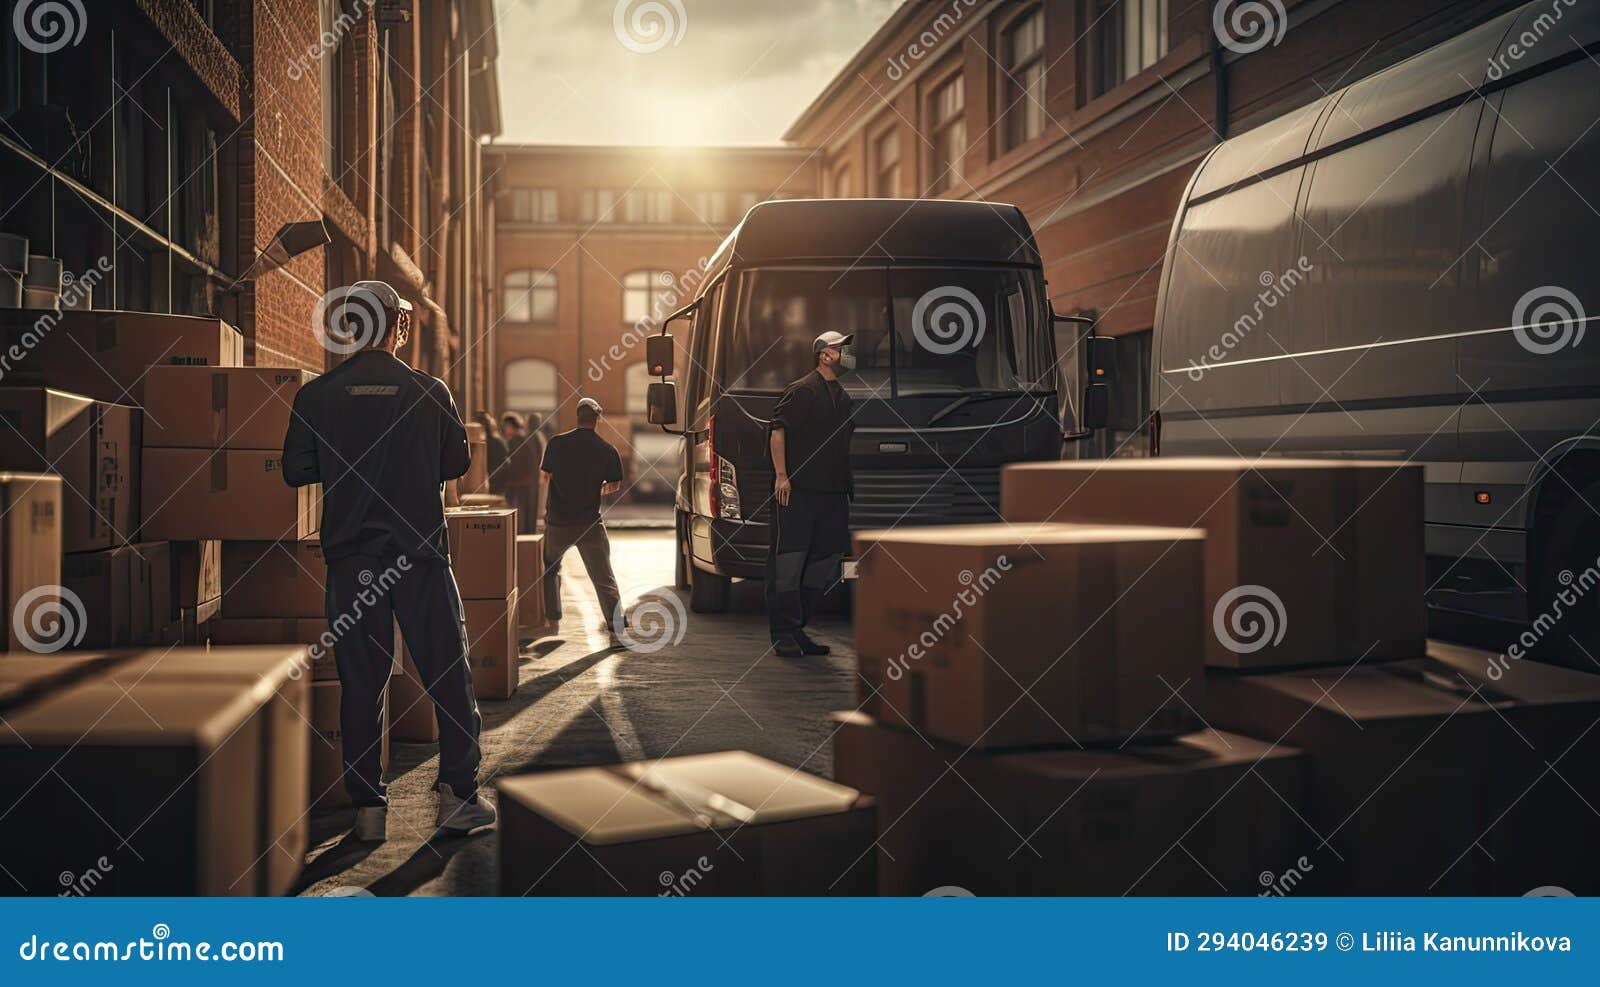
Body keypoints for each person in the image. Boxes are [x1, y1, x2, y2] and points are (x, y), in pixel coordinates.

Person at [282, 279, 495, 842]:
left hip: (352, 561)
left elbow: (295, 471)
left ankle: (368, 811)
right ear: (399, 327)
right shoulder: (431, 392)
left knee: (362, 682)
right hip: (419, 557)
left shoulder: (316, 396)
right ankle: (456, 797)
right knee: (449, 676)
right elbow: (454, 464)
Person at [766, 330, 856, 659]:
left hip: (833, 494)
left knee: (825, 560)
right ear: (824, 355)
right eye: (841, 349)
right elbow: (778, 430)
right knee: (789, 561)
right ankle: (782, 633)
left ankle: (799, 626)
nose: (848, 354)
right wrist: (781, 476)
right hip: (798, 492)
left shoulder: (842, 396)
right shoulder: (803, 390)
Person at [539, 398, 625, 649]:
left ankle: (553, 619)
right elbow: (615, 484)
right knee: (604, 577)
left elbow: (545, 476)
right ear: (598, 418)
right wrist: (592, 491)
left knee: (550, 568)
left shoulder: (556, 443)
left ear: (576, 416)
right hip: (589, 522)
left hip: (557, 521)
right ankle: (617, 630)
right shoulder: (607, 449)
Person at [502, 412, 542, 534]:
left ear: (512, 426)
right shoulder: (527, 439)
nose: (504, 429)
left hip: (519, 485)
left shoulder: (516, 441)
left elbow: (514, 465)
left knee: (520, 521)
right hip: (527, 484)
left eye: (506, 426)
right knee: (527, 519)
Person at [473, 411, 510, 496]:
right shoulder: (497, 442)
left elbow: (505, 465)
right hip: (483, 486)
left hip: (494, 487)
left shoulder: (496, 443)